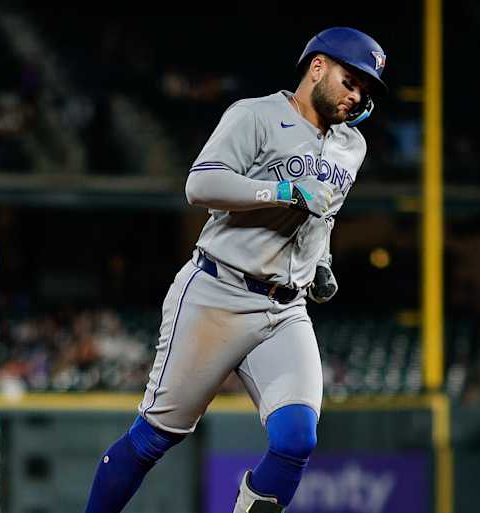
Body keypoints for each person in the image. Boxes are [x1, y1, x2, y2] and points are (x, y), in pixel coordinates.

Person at [83, 27, 388, 513]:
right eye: (351, 80)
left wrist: (322, 260)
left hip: (285, 308)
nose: (356, 95)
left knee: (296, 439)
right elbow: (200, 185)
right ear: (317, 66)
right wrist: (281, 192)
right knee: (153, 439)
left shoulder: (353, 146)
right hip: (217, 293)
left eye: (364, 90)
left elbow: (323, 213)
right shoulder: (256, 114)